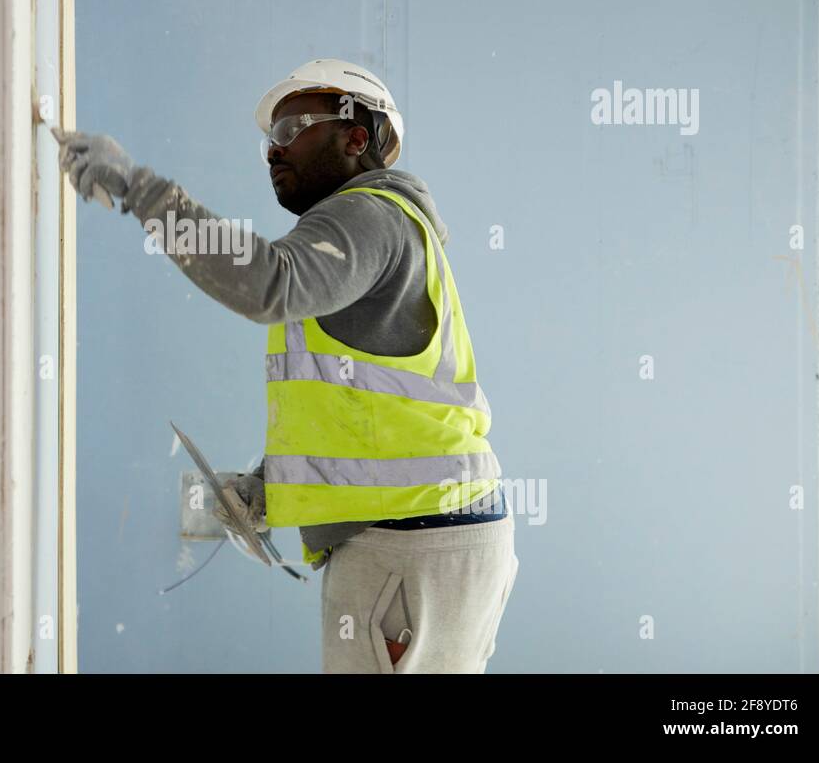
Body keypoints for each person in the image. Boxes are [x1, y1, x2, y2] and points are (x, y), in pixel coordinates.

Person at [54, 59, 518, 673]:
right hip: (426, 535)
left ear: (358, 137)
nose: (273, 151)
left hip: (411, 541)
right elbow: (362, 407)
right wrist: (271, 487)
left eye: (293, 127)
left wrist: (140, 190)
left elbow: (269, 283)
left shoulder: (369, 214)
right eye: (269, 138)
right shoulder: (373, 230)